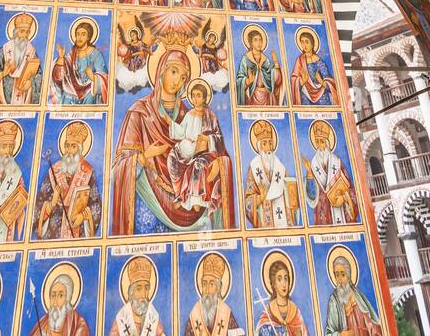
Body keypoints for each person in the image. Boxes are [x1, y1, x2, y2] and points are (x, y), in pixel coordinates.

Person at [111, 48, 234, 234]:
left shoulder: (196, 115)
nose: (177, 81)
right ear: (161, 71)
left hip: (195, 202)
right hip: (150, 205)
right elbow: (119, 168)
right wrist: (144, 157)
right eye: (174, 72)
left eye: (184, 78)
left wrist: (216, 158)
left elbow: (220, 150)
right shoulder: (139, 113)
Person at [33, 122, 102, 240]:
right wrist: (52, 203)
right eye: (67, 145)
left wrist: (84, 216)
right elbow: (39, 203)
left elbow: (95, 203)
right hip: (54, 231)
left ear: (80, 149)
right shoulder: (54, 170)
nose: (69, 150)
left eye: (73, 146)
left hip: (77, 228)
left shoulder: (87, 171)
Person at [166, 80, 225, 214]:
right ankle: (179, 195)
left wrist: (207, 139)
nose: (195, 99)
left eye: (198, 95)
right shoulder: (189, 114)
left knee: (198, 165)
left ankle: (196, 200)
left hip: (204, 152)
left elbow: (219, 138)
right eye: (193, 95)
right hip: (186, 149)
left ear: (205, 98)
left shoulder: (210, 116)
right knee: (171, 158)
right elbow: (181, 131)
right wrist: (171, 123)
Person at [18, 265, 94, 336]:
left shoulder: (78, 325)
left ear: (68, 299)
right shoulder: (43, 325)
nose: (55, 301)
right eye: (53, 295)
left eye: (60, 295)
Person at [103, 257, 171, 336]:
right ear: (131, 293)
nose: (144, 295)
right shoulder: (121, 321)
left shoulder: (153, 319)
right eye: (139, 289)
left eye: (146, 288)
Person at [179, 253, 244, 336]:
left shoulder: (226, 315)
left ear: (219, 288)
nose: (207, 290)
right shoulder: (195, 314)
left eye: (211, 284)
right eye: (204, 284)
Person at [323, 249, 384, 336]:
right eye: (336, 275)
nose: (340, 279)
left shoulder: (360, 299)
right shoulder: (334, 301)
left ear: (349, 275)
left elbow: (378, 335)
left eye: (343, 274)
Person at [254, 255, 316, 336]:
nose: (284, 284)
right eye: (279, 279)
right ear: (273, 284)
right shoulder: (268, 315)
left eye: (286, 278)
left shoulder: (295, 312)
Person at [0, 12, 42, 106]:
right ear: (16, 32)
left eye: (27, 32)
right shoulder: (5, 49)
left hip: (24, 95)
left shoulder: (31, 50)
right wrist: (2, 74)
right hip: (4, 96)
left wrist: (31, 83)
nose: (25, 36)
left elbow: (39, 75)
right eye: (22, 31)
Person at [302, 122, 357, 225]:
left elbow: (349, 187)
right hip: (323, 211)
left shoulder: (337, 162)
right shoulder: (313, 164)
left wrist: (344, 197)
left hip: (340, 208)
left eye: (322, 142)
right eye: (317, 142)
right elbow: (312, 194)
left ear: (327, 143)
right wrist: (309, 173)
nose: (319, 146)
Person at [244, 120, 296, 228]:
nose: (268, 147)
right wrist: (260, 198)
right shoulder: (254, 167)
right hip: (266, 220)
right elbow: (248, 203)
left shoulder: (280, 167)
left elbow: (292, 196)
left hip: (284, 220)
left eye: (270, 143)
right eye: (264, 143)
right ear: (259, 147)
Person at [49, 19, 108, 105]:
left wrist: (92, 76)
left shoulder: (95, 54)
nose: (79, 37)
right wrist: (61, 58)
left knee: (90, 99)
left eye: (83, 34)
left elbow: (104, 77)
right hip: (70, 92)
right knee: (66, 98)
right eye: (78, 34)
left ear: (88, 37)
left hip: (88, 92)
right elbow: (58, 78)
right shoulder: (71, 55)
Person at [235, 26, 282, 106]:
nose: (259, 43)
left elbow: (276, 81)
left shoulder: (265, 60)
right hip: (252, 97)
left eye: (260, 40)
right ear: (250, 43)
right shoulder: (246, 59)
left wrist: (276, 63)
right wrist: (247, 81)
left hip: (267, 97)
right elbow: (239, 80)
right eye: (255, 40)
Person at [290, 30, 337, 105]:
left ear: (312, 44)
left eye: (307, 42)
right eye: (302, 42)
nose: (304, 45)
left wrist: (321, 81)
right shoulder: (300, 60)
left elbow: (331, 82)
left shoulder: (319, 61)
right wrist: (302, 81)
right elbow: (293, 79)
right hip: (306, 95)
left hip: (322, 95)